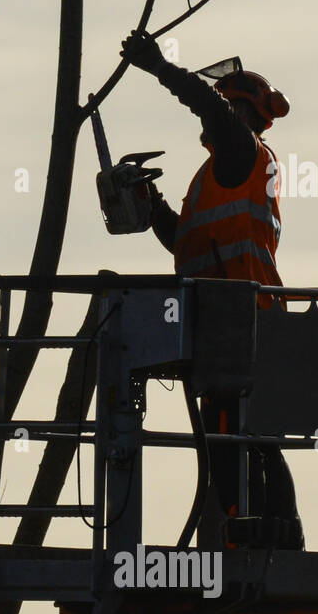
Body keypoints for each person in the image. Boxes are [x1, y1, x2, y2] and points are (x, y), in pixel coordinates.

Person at [119, 28, 304, 550]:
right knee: (243, 440)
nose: (213, 115)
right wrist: (152, 206)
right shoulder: (217, 174)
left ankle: (246, 541)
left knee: (235, 440)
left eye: (225, 107)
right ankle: (266, 537)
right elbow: (188, 242)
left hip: (243, 319)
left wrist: (156, 65)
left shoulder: (241, 152)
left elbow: (204, 103)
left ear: (243, 113)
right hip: (227, 320)